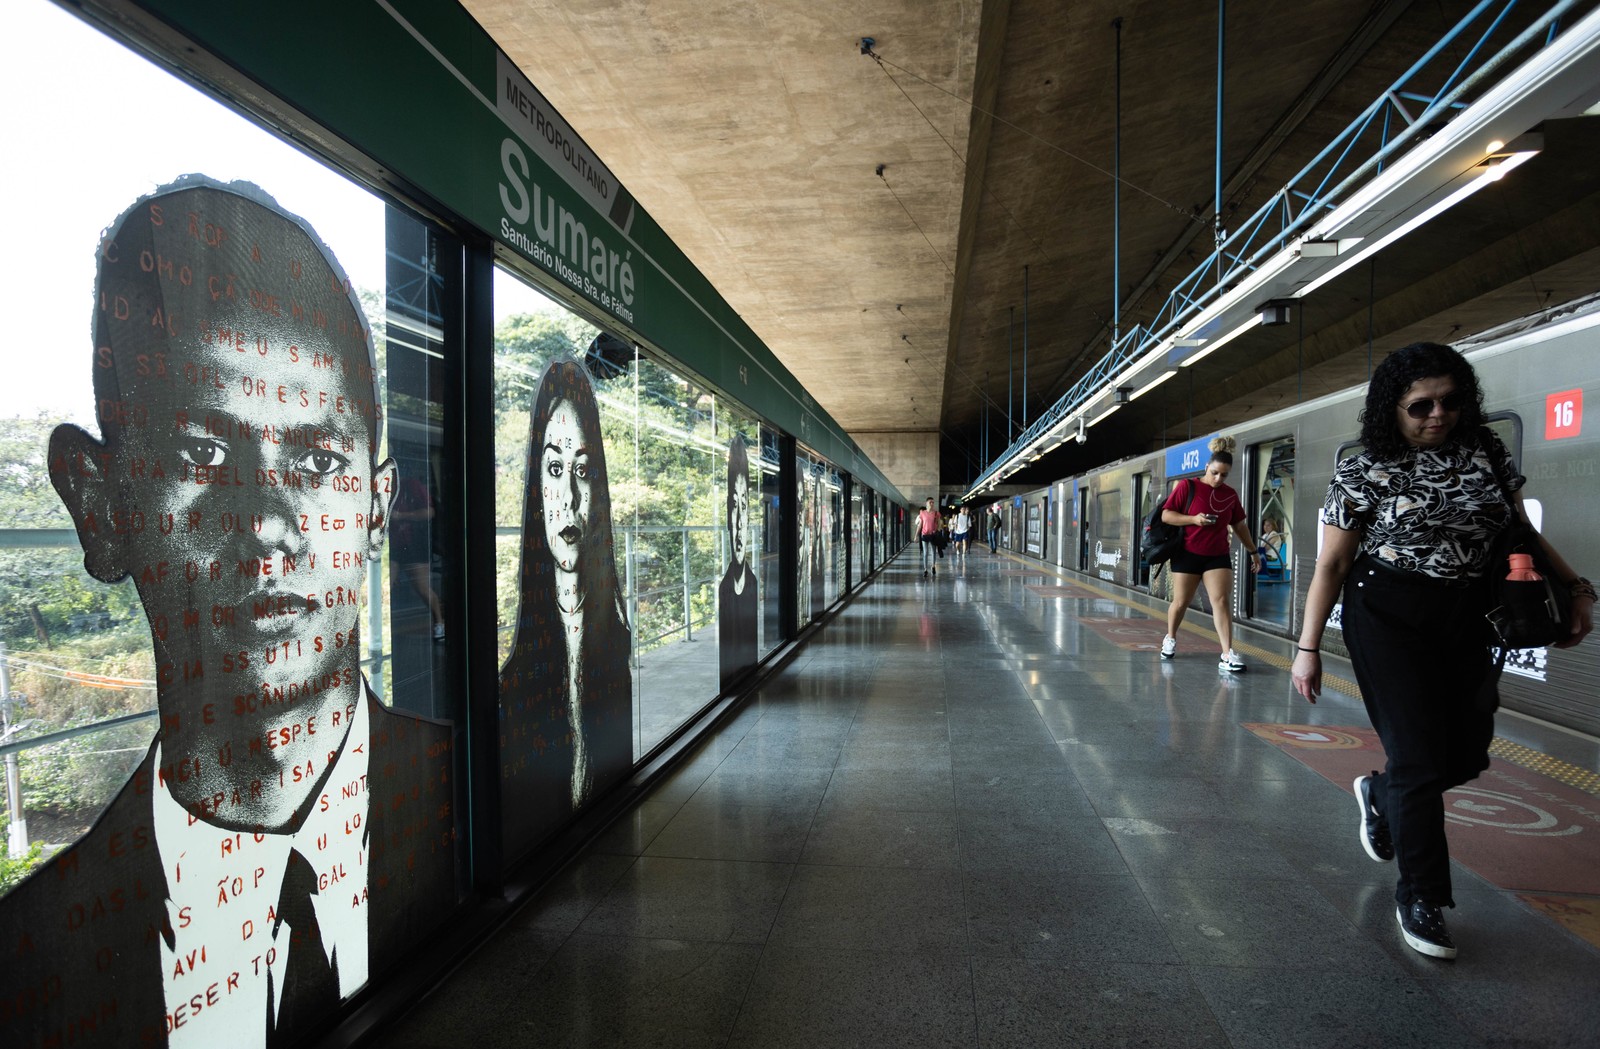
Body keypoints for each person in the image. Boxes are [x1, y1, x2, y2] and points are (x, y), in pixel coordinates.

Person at [1, 178, 456, 1049]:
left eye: (319, 461)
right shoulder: (26, 963)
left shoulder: (470, 796)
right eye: (202, 453)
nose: (266, 527)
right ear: (101, 508)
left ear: (374, 506)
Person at [1291, 342, 1593, 960]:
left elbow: (1521, 532)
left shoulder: (1484, 451)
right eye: (1420, 405)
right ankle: (1422, 896)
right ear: (1391, 408)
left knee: (1468, 753)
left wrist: (1575, 586)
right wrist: (1307, 646)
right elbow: (1333, 563)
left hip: (1468, 615)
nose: (1438, 415)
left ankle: (1380, 793)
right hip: (1388, 616)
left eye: (1451, 402)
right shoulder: (1364, 468)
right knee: (1421, 762)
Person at [498, 358, 633, 857]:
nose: (570, 495)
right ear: (536, 487)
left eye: (583, 470)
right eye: (555, 469)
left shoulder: (615, 654)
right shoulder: (512, 688)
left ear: (600, 491)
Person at [1158, 436, 1260, 671]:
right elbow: (1167, 515)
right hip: (1187, 553)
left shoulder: (1230, 495)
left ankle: (1227, 654)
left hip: (1217, 555)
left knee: (1222, 602)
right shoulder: (1188, 487)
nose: (1218, 479)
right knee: (1181, 602)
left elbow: (1240, 525)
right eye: (1214, 473)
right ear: (1206, 467)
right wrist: (1194, 519)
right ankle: (1170, 637)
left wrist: (1253, 551)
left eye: (1224, 475)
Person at [718, 434, 758, 689]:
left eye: (744, 505)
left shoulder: (752, 584)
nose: (740, 520)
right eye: (734, 505)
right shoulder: (725, 590)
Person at [915, 497, 942, 577]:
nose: (932, 504)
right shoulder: (922, 513)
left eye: (933, 502)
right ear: (926, 503)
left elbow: (939, 523)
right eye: (930, 502)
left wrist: (938, 530)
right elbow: (920, 525)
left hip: (933, 535)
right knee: (925, 552)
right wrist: (916, 535)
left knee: (933, 551)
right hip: (924, 534)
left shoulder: (936, 513)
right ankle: (925, 569)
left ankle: (933, 566)